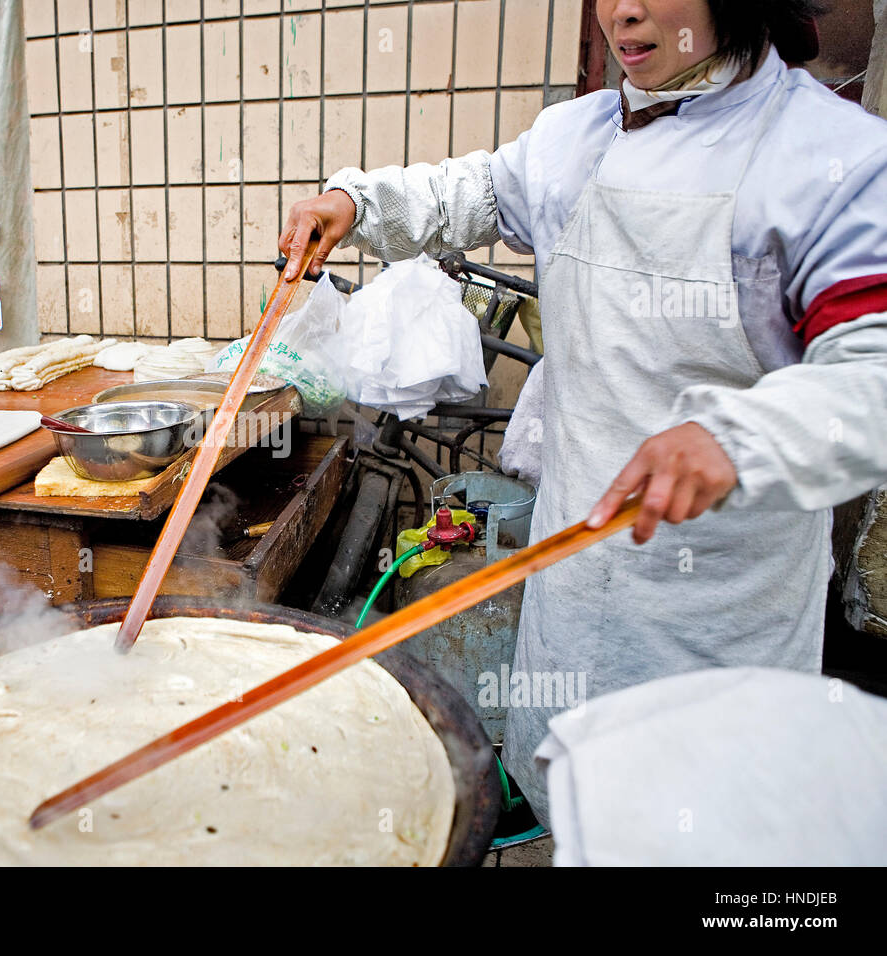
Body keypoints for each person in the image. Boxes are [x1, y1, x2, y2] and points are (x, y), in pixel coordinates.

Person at [280, 0, 887, 826]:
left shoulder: (834, 162)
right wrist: (356, 202)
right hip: (572, 568)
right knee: (574, 797)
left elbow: (872, 373)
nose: (623, 10)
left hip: (718, 605)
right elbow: (476, 189)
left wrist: (741, 437)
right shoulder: (577, 138)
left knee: (699, 824)